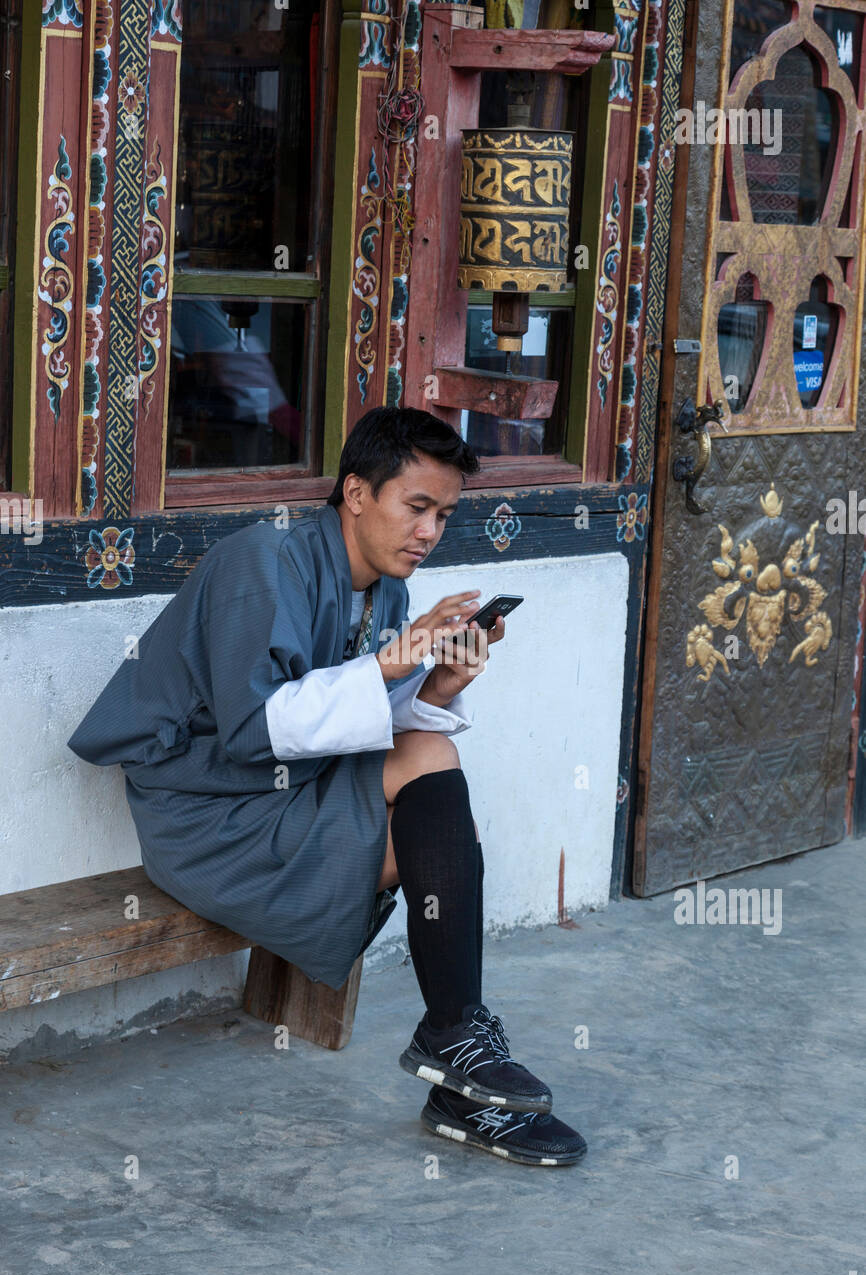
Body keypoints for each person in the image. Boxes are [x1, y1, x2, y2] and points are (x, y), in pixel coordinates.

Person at [68, 406, 586, 1166]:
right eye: (416, 507)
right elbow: (254, 731)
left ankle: (460, 1062)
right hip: (209, 815)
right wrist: (389, 665)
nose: (430, 531)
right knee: (427, 790)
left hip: (287, 796)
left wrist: (435, 686)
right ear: (354, 493)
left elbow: (360, 719)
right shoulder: (263, 561)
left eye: (443, 514)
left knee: (430, 776)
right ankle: (458, 1057)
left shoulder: (390, 594)